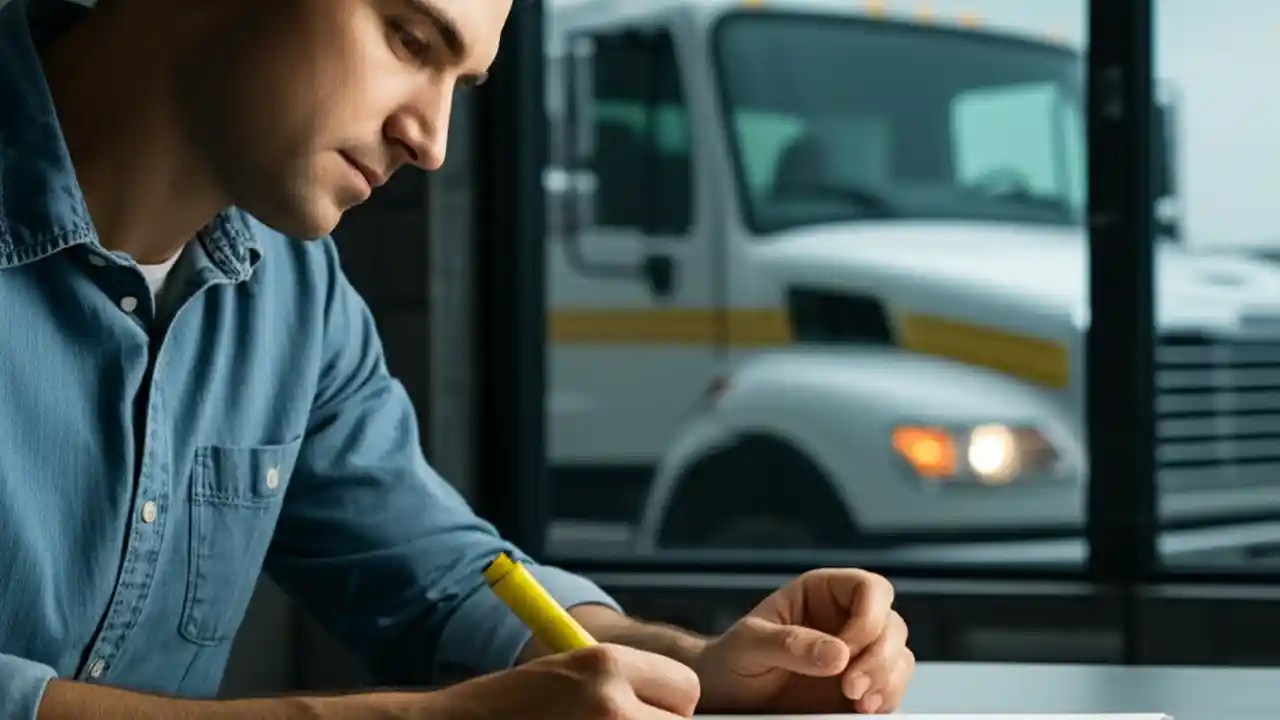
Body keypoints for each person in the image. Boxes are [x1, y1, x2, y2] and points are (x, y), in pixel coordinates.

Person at [0, 0, 916, 717]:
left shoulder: (293, 292)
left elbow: (442, 580)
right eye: (408, 38)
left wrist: (697, 669)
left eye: (460, 83)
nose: (430, 142)